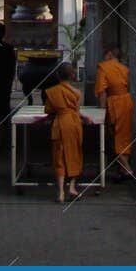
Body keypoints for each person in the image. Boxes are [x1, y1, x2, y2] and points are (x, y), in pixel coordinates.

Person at [43, 60, 83, 203]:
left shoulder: (52, 92)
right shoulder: (77, 92)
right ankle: (71, 188)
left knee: (59, 157)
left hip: (59, 124)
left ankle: (60, 193)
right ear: (72, 76)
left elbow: (48, 110)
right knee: (74, 154)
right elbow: (77, 111)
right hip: (73, 124)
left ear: (58, 76)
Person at [94, 46, 135, 178]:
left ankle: (127, 169)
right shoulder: (124, 68)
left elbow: (102, 91)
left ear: (109, 54)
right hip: (127, 101)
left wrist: (101, 111)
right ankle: (123, 170)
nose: (103, 58)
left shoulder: (103, 67)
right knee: (124, 135)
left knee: (112, 136)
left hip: (114, 103)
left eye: (105, 55)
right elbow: (127, 86)